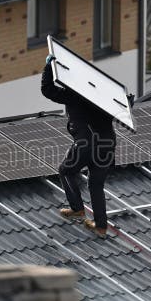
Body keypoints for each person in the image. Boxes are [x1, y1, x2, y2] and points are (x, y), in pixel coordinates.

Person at [41, 53, 116, 238]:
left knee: (65, 171)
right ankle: (100, 227)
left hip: (87, 143)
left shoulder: (74, 94)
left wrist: (48, 68)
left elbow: (48, 90)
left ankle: (77, 209)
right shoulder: (102, 95)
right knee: (96, 184)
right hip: (107, 144)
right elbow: (120, 109)